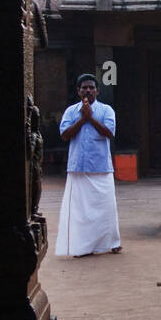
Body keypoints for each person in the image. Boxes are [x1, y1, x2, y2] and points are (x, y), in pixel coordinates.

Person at [56, 74, 122, 257]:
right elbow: (65, 135)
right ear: (78, 91)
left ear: (97, 91)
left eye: (91, 88)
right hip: (78, 167)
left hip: (101, 166)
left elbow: (109, 133)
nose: (88, 91)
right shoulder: (70, 111)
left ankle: (112, 242)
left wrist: (91, 118)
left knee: (106, 207)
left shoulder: (106, 110)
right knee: (81, 212)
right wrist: (82, 119)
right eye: (84, 88)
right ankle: (82, 246)